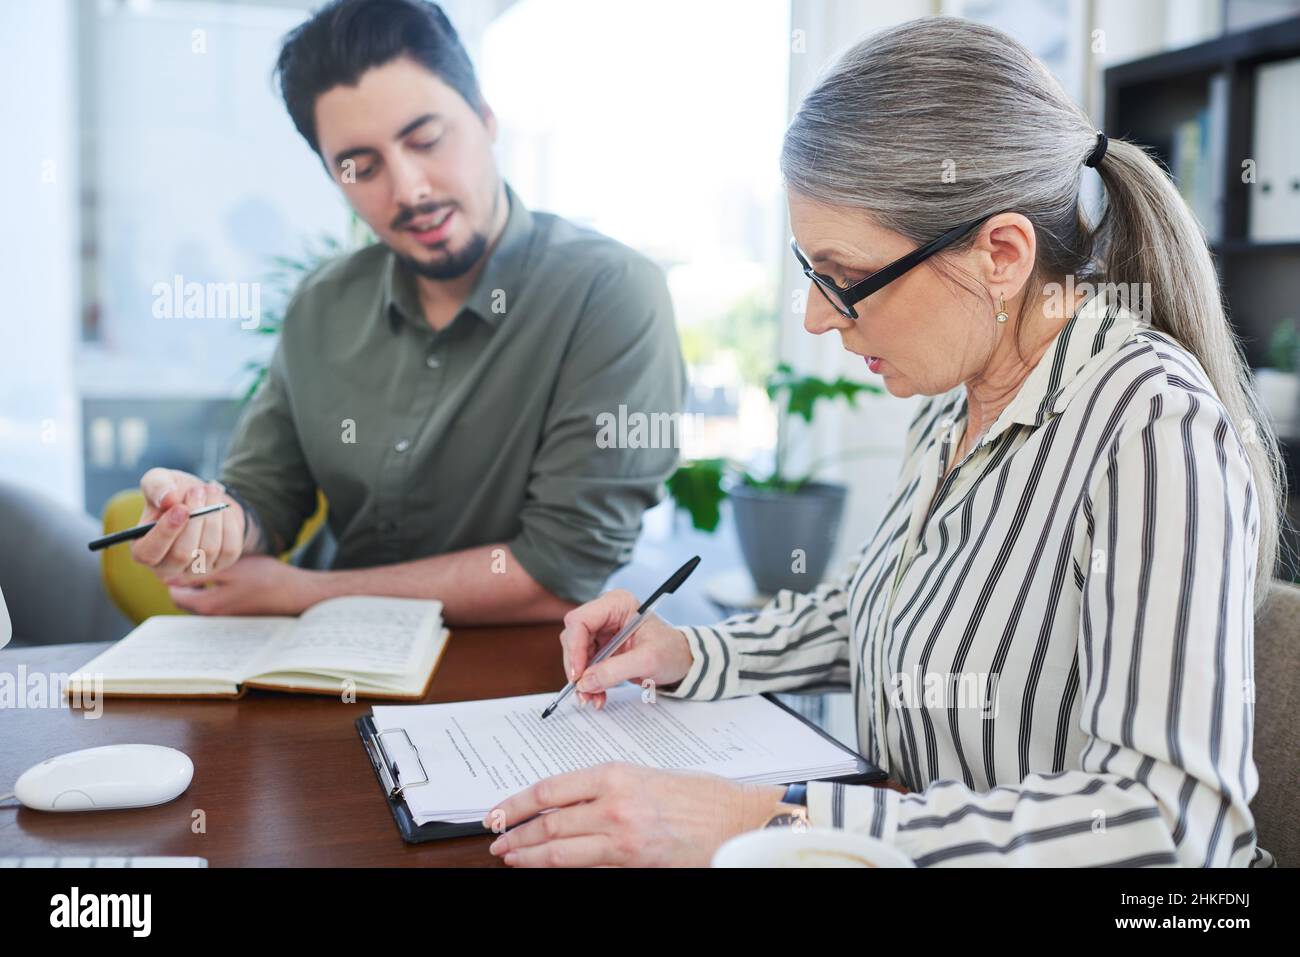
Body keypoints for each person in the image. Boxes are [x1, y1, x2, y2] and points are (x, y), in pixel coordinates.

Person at [482, 17, 1279, 867]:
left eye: (848, 279)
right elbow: (882, 610)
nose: (820, 315)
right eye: (810, 269)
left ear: (1000, 255)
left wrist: (766, 822)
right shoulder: (955, 399)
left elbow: (1164, 823)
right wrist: (688, 650)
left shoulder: (1151, 423)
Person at [126, 0, 685, 625]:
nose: (409, 189)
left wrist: (298, 593)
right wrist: (209, 522)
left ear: (485, 117)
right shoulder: (322, 303)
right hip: (323, 673)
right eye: (361, 168)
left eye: (426, 140)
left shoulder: (609, 292)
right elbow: (266, 499)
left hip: (517, 686)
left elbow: (560, 571)